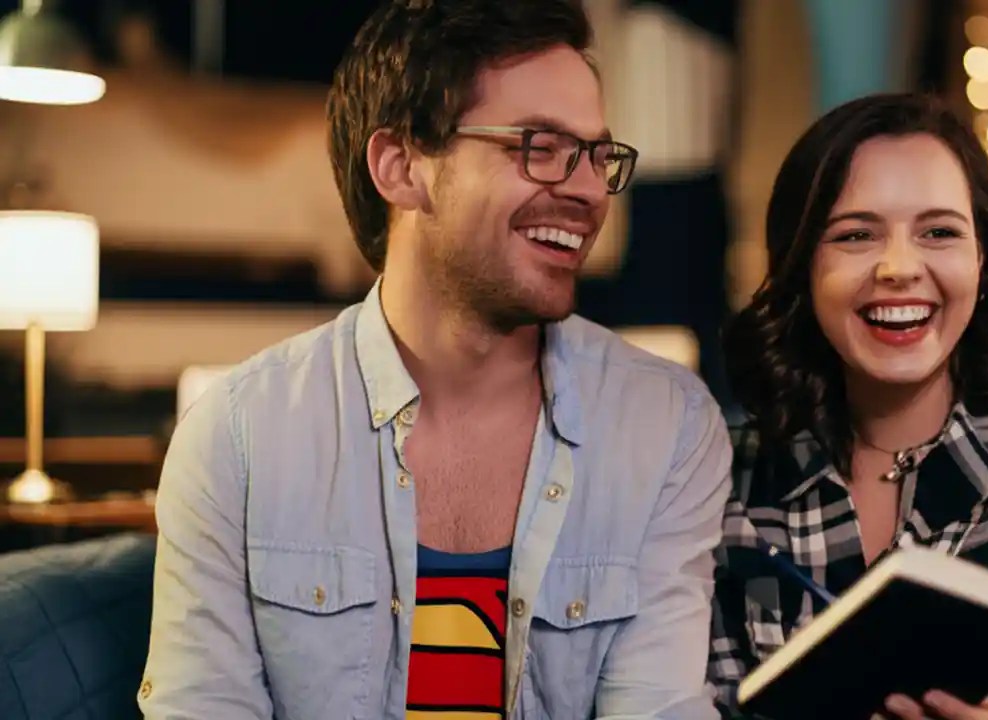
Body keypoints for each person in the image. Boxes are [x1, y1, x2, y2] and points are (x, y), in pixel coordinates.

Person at [138, 1, 732, 718]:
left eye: (598, 156)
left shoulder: (667, 425)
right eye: (539, 146)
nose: (584, 189)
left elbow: (656, 709)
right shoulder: (236, 438)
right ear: (401, 167)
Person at [707, 93, 988, 720]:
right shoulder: (730, 474)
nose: (899, 267)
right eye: (856, 235)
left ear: (981, 261)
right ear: (802, 266)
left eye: (939, 232)